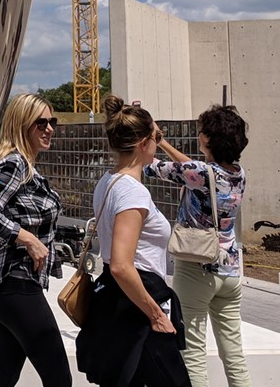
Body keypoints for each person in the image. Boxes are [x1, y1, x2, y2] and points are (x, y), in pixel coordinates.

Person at [76, 95, 191, 387]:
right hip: (137, 303)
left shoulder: (109, 181)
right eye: (157, 137)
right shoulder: (133, 193)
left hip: (118, 301)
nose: (158, 143)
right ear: (143, 143)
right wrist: (155, 314)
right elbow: (121, 265)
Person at [148, 106, 251, 387]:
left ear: (207, 139)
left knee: (192, 352)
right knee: (234, 354)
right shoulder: (238, 174)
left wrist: (148, 138)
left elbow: (152, 168)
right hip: (229, 272)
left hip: (197, 268)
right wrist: (164, 143)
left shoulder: (199, 173)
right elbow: (195, 170)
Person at [0, 93, 71, 387]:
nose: (49, 128)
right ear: (21, 124)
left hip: (9, 285)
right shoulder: (14, 165)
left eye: (52, 121)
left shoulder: (28, 168)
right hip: (15, 281)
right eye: (40, 122)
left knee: (3, 378)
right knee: (59, 379)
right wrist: (27, 238)